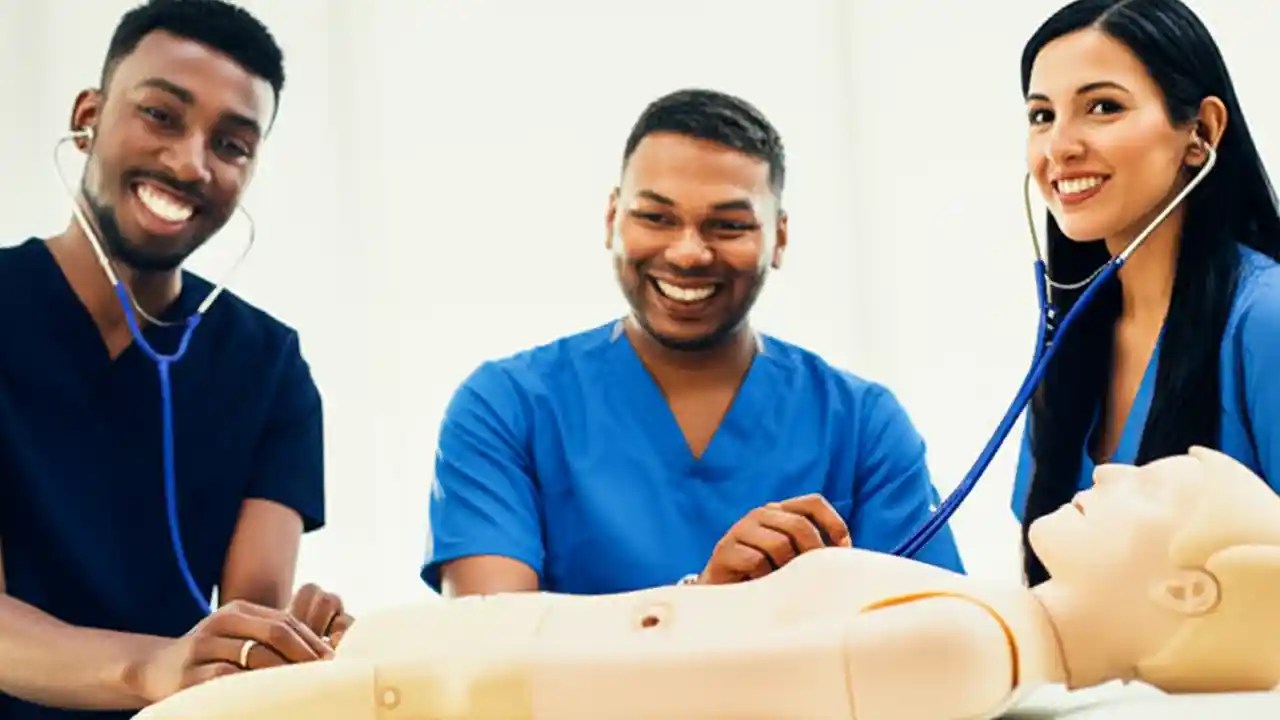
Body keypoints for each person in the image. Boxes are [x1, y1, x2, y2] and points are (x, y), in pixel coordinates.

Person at [135, 447, 1280, 720]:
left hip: (427, 691)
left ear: (1187, 595)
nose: (1113, 464)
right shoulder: (973, 617)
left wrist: (389, 688)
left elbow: (658, 691)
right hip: (417, 662)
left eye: (1158, 489)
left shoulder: (963, 646)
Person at [423, 87, 963, 598]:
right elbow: (488, 654)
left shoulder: (861, 423)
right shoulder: (507, 407)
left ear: (779, 238)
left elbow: (933, 639)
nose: (687, 253)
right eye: (655, 217)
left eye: (727, 226)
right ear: (613, 219)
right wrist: (704, 605)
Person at [0, 2, 350, 718]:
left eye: (232, 145)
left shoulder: (271, 368)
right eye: (161, 115)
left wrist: (281, 650)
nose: (191, 163)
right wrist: (152, 667)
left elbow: (246, 620)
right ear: (88, 116)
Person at [1010, 0, 1280, 585]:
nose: (1059, 147)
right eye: (1041, 116)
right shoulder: (1069, 340)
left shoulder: (1266, 318)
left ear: (1200, 132)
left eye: (1102, 107)